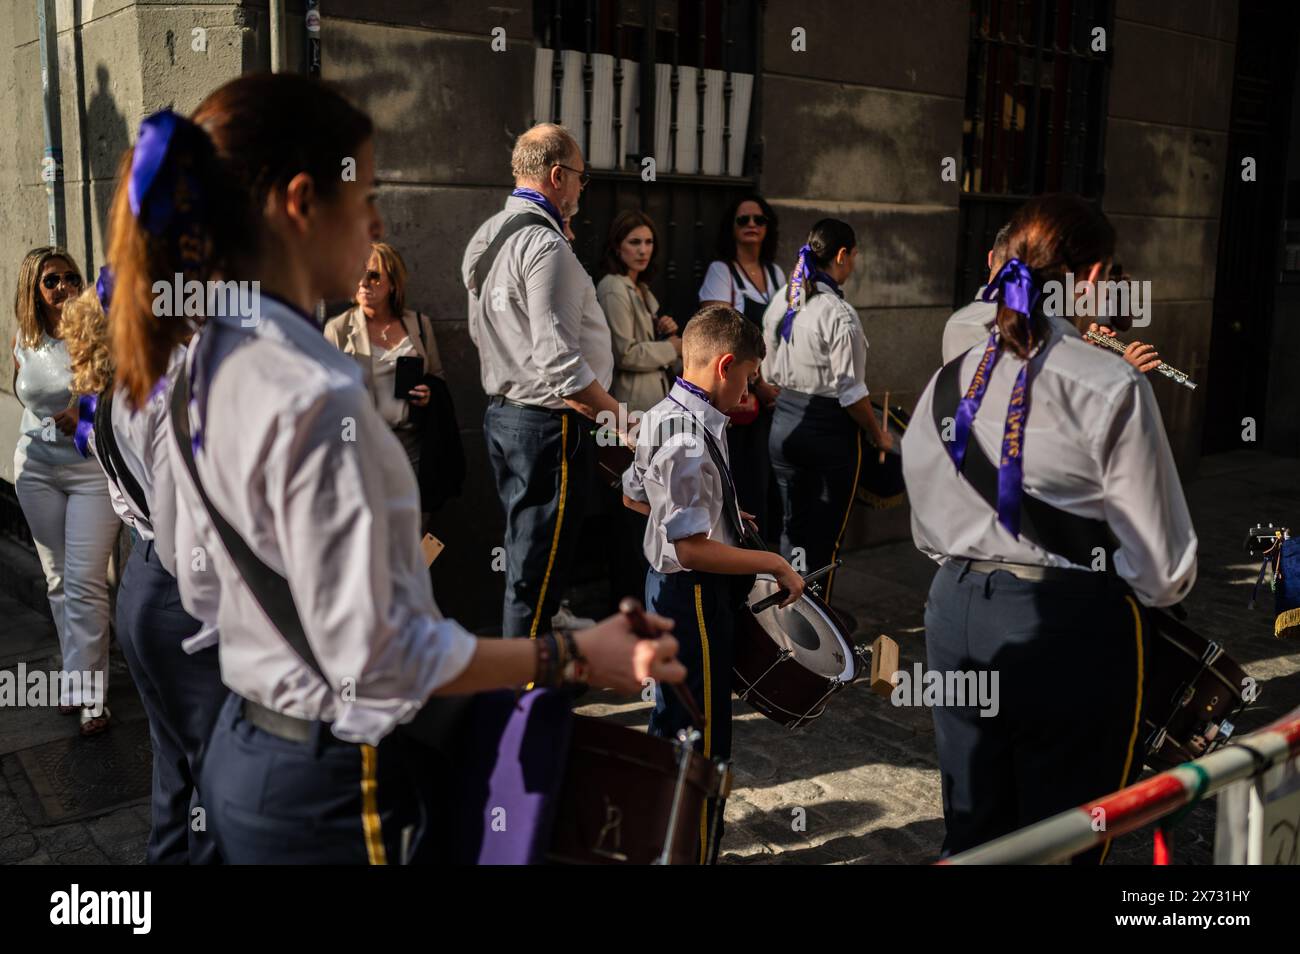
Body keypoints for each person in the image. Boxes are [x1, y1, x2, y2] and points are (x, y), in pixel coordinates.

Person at [106, 75, 684, 864]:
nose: (376, 220)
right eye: (366, 194)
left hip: (242, 750)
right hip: (336, 782)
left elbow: (191, 576)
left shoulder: (196, 365)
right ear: (304, 202)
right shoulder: (314, 394)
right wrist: (575, 656)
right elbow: (385, 664)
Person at [901, 193, 1197, 863]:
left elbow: (925, 513)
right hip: (1066, 628)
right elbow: (1165, 568)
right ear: (1091, 278)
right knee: (1063, 840)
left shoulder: (951, 376)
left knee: (976, 835)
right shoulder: (1111, 384)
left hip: (955, 610)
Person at [623, 304, 804, 861]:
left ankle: (659, 844)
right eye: (749, 377)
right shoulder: (689, 438)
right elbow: (692, 549)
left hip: (670, 591)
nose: (751, 391)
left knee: (674, 722)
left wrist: (724, 514)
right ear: (725, 365)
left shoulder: (666, 414)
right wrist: (771, 562)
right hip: (692, 600)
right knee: (701, 736)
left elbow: (633, 496)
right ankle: (691, 852)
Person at [61, 279, 225, 863]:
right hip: (184, 592)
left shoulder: (119, 385)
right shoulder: (167, 384)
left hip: (144, 583)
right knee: (215, 770)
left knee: (175, 761)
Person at [462, 123, 623, 638]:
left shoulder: (487, 234)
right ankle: (525, 695)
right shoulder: (543, 245)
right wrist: (626, 422)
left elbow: (488, 329)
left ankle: (534, 656)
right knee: (534, 573)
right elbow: (560, 365)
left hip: (508, 417)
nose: (581, 187)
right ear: (557, 176)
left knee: (530, 558)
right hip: (547, 427)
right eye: (580, 177)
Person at [10, 247, 119, 735]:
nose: (64, 288)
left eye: (72, 278)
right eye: (52, 281)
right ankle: (76, 681)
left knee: (86, 582)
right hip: (36, 471)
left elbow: (121, 387)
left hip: (90, 472)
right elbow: (24, 394)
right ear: (34, 289)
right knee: (57, 581)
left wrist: (87, 414)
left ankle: (93, 698)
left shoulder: (97, 331)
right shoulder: (24, 339)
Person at [761, 220, 892, 604]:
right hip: (827, 431)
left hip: (783, 423)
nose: (853, 262)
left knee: (791, 529)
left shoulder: (781, 299)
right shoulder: (840, 313)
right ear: (841, 256)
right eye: (853, 255)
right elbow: (851, 394)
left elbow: (767, 371)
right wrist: (877, 432)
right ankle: (816, 631)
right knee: (825, 539)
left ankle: (786, 622)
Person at [323, 241, 448, 519]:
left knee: (413, 527)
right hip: (361, 447)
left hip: (411, 446)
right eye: (359, 274)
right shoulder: (339, 328)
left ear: (392, 283)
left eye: (374, 276)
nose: (364, 283)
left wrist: (429, 393)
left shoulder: (418, 325)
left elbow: (437, 377)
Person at [944, 222, 1164, 375]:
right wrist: (1122, 372)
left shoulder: (957, 322)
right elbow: (1051, 402)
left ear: (991, 259)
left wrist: (1076, 347)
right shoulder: (1031, 323)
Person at [596, 209, 681, 607]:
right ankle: (628, 603)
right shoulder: (613, 287)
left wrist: (668, 335)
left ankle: (647, 599)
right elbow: (624, 353)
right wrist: (672, 348)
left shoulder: (642, 291)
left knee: (649, 510)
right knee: (631, 512)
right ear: (617, 246)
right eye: (634, 242)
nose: (643, 250)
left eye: (648, 242)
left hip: (652, 411)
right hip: (630, 414)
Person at [699, 196, 785, 537]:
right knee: (747, 484)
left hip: (774, 400)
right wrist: (758, 384)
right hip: (742, 400)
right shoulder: (722, 273)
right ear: (731, 229)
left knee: (771, 487)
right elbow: (721, 335)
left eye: (759, 220)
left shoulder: (777, 274)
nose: (752, 225)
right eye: (743, 220)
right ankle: (746, 564)